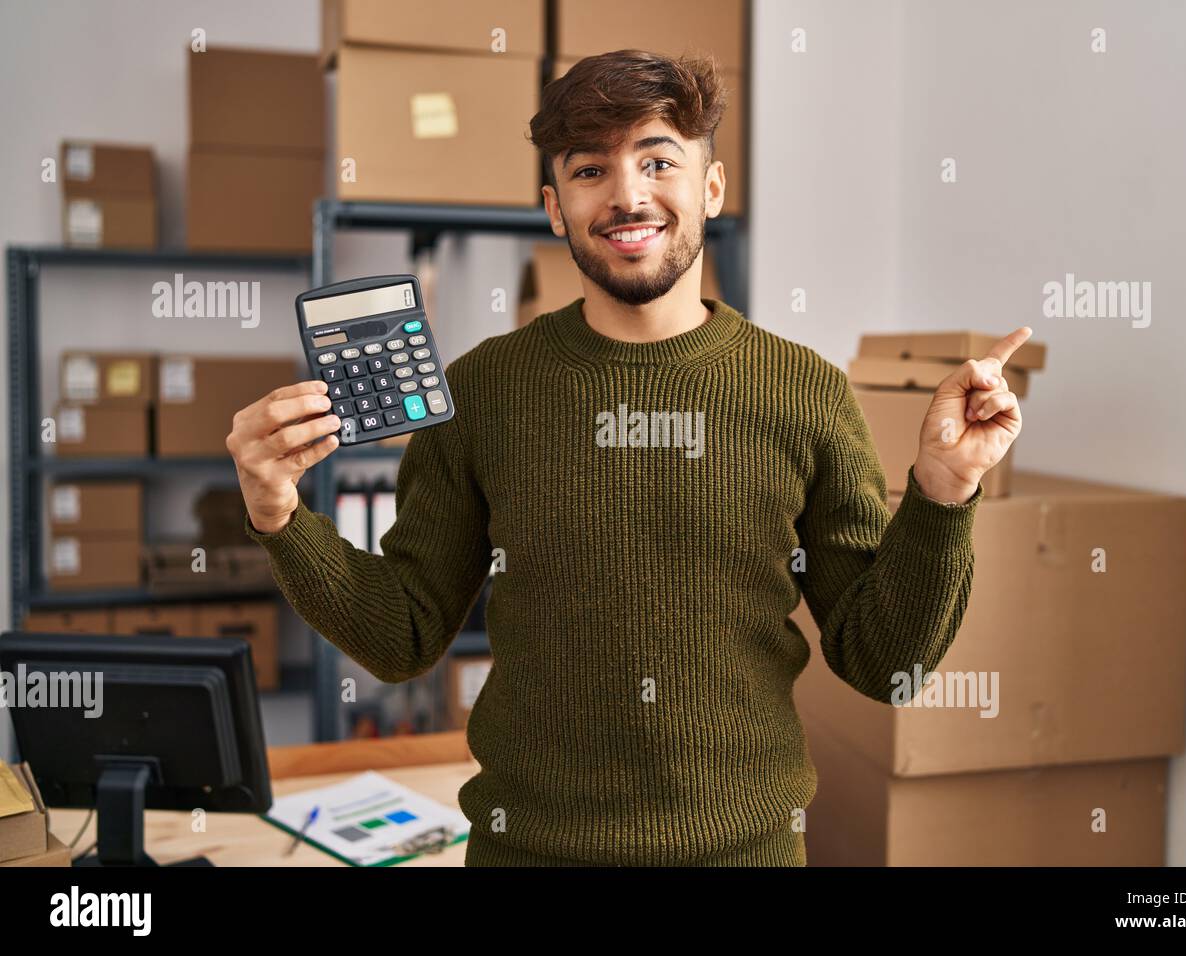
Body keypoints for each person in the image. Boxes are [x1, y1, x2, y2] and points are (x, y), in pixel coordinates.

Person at [227, 48, 1031, 866]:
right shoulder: (482, 392)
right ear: (554, 206)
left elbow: (882, 660)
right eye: (589, 170)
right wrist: (278, 516)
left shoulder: (804, 392)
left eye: (657, 160)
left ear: (710, 188)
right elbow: (404, 633)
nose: (626, 194)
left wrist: (941, 491)